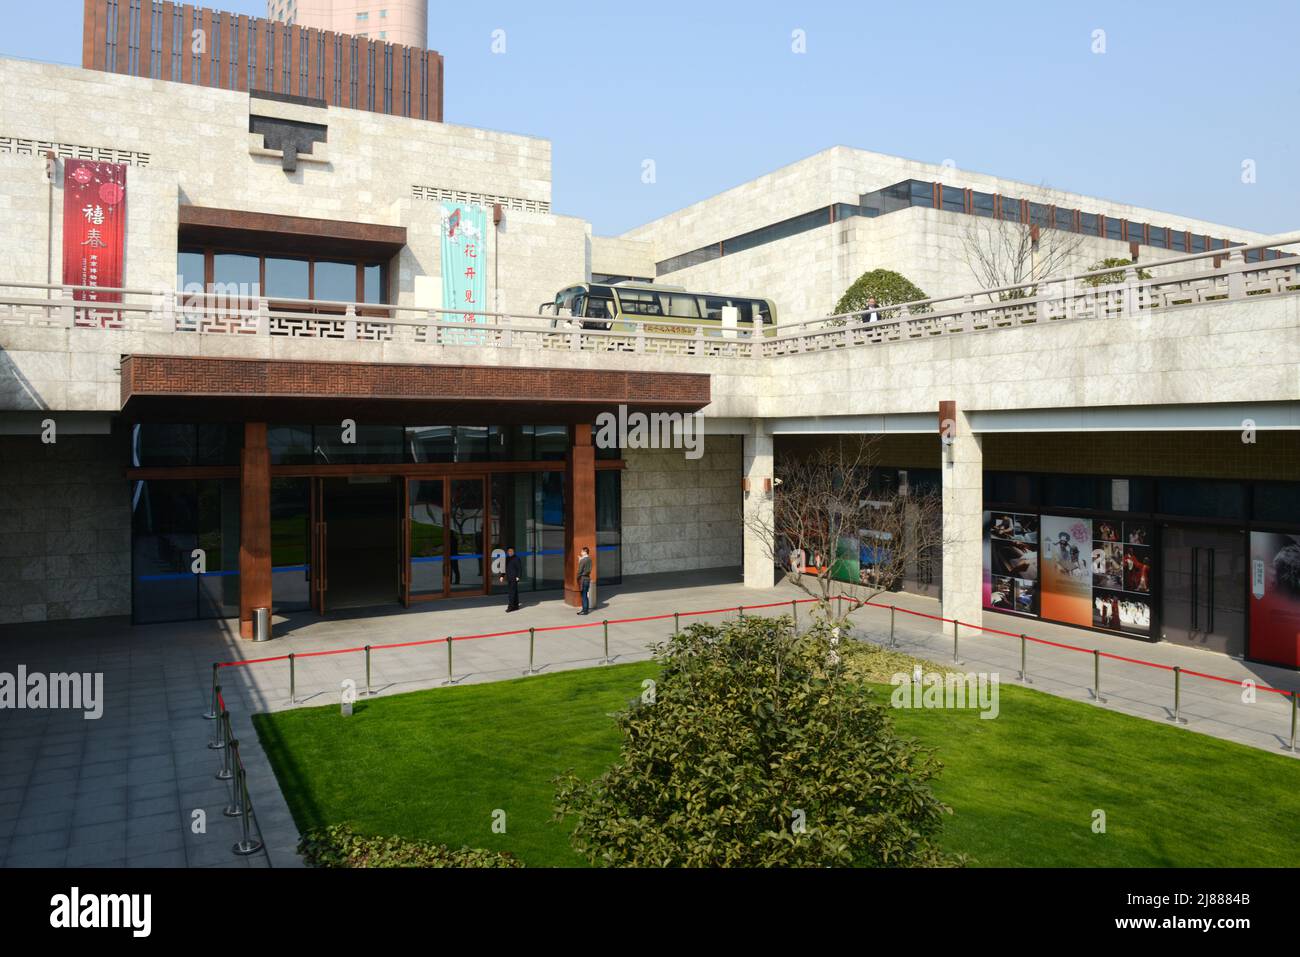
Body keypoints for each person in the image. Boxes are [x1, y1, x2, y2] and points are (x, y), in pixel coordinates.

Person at [500, 546, 522, 612]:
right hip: (509, 577)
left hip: (514, 578)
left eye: (511, 551)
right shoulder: (507, 559)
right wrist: (502, 576)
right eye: (508, 551)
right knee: (514, 591)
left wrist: (518, 576)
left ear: (513, 552)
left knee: (511, 592)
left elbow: (519, 568)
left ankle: (510, 606)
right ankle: (516, 605)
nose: (510, 552)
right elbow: (504, 568)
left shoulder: (516, 558)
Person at [577, 546, 592, 615]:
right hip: (588, 578)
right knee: (585, 594)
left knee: (583, 595)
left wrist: (577, 578)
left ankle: (584, 610)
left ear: (585, 552)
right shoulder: (589, 559)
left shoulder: (583, 560)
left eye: (582, 551)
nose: (581, 552)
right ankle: (585, 609)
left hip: (583, 579)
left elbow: (580, 571)